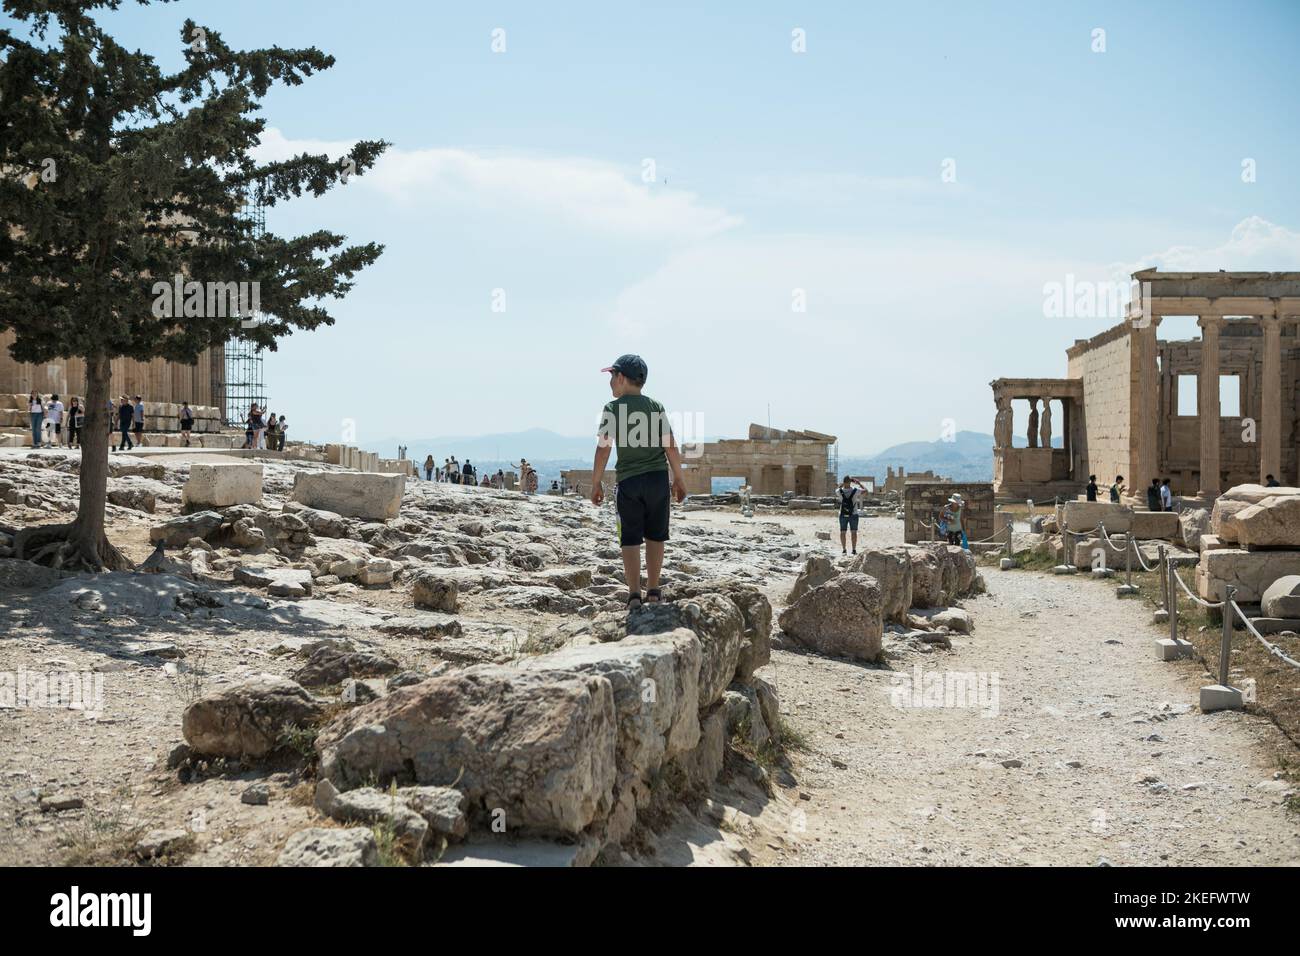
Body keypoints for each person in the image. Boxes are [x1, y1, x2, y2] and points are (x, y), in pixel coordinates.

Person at [590, 353, 687, 611]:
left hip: (629, 482)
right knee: (656, 535)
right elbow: (670, 445)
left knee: (630, 538)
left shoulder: (612, 409)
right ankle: (653, 590)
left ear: (621, 378)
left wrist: (596, 482)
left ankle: (634, 593)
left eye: (611, 376)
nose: (610, 382)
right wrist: (678, 477)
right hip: (657, 479)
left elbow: (603, 449)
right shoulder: (655, 406)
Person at [836, 476, 866, 555]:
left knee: (842, 532)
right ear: (850, 482)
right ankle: (853, 550)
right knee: (853, 532)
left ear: (843, 482)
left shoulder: (839, 491)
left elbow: (837, 488)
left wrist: (842, 483)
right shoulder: (856, 491)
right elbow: (866, 491)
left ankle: (844, 550)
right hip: (853, 514)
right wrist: (859, 483)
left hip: (842, 514)